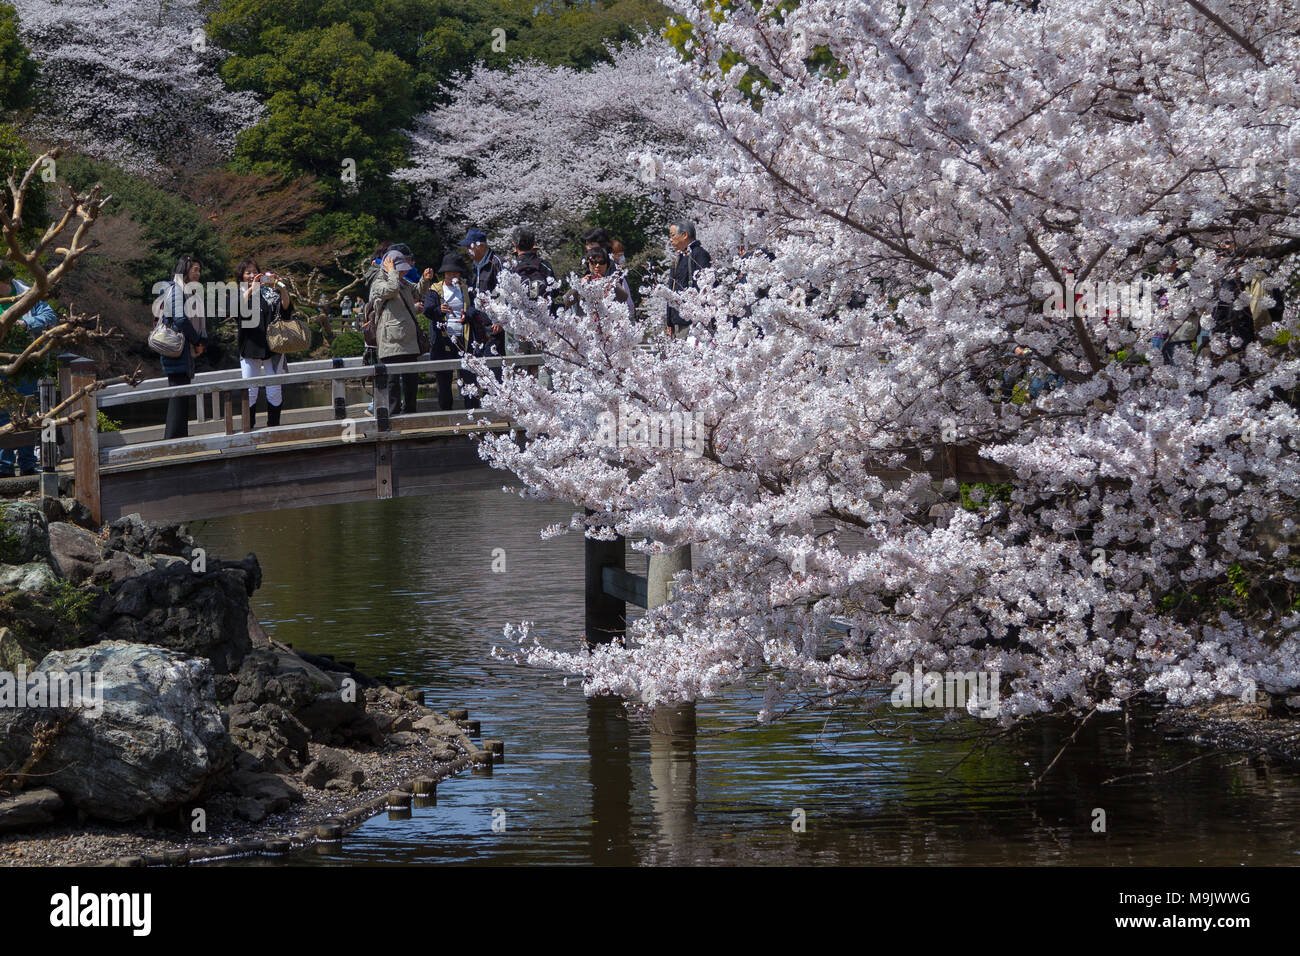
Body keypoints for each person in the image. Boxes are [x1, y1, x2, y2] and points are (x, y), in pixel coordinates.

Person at [0, 264, 59, 475]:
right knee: (3, 414)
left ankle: (27, 463)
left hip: (28, 363)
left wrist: (27, 325)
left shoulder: (28, 294)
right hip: (2, 366)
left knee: (28, 411)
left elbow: (50, 317)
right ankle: (4, 466)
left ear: (7, 282)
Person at [235, 258, 292, 429]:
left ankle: (273, 428)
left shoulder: (270, 292)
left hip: (274, 347)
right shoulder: (239, 292)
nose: (252, 275)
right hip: (249, 347)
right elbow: (236, 310)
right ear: (241, 276)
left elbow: (286, 309)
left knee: (274, 390)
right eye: (248, 272)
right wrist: (252, 289)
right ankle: (249, 427)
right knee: (250, 391)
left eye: (255, 272)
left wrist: (282, 288)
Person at [156, 255, 208, 440]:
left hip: (181, 349)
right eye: (195, 269)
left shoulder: (188, 290)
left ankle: (178, 439)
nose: (198, 273)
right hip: (176, 349)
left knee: (181, 394)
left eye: (199, 270)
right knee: (178, 394)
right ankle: (173, 440)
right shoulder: (176, 289)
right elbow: (180, 319)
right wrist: (196, 340)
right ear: (184, 270)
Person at [370, 248, 423, 416]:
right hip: (390, 339)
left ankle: (411, 413)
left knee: (411, 379)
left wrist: (426, 280)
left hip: (408, 338)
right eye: (399, 269)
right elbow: (391, 290)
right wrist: (392, 271)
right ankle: (393, 415)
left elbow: (417, 292)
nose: (403, 272)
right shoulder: (379, 282)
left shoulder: (402, 282)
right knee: (392, 381)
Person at [424, 252, 475, 410]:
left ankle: (471, 410)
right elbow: (428, 310)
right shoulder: (435, 289)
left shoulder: (466, 288)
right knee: (444, 378)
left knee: (468, 376)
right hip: (443, 337)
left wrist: (467, 315)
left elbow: (475, 308)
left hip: (464, 336)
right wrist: (440, 310)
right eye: (449, 273)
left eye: (455, 273)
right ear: (444, 274)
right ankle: (446, 412)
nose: (452, 275)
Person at [461, 228, 506, 377]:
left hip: (494, 326)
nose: (468, 251)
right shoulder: (475, 267)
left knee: (496, 370)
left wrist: (499, 318)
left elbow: (503, 289)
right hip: (478, 326)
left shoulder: (496, 262)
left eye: (469, 247)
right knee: (483, 373)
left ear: (479, 245)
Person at [665, 220, 711, 339]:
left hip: (692, 323)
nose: (670, 240)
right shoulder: (680, 257)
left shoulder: (699, 254)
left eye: (672, 235)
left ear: (684, 235)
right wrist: (669, 320)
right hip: (678, 321)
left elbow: (705, 288)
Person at [582, 246, 632, 311]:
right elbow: (567, 301)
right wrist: (579, 285)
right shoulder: (583, 281)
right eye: (593, 262)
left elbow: (624, 297)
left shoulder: (613, 281)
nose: (597, 265)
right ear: (588, 264)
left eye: (601, 262)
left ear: (607, 264)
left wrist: (610, 283)